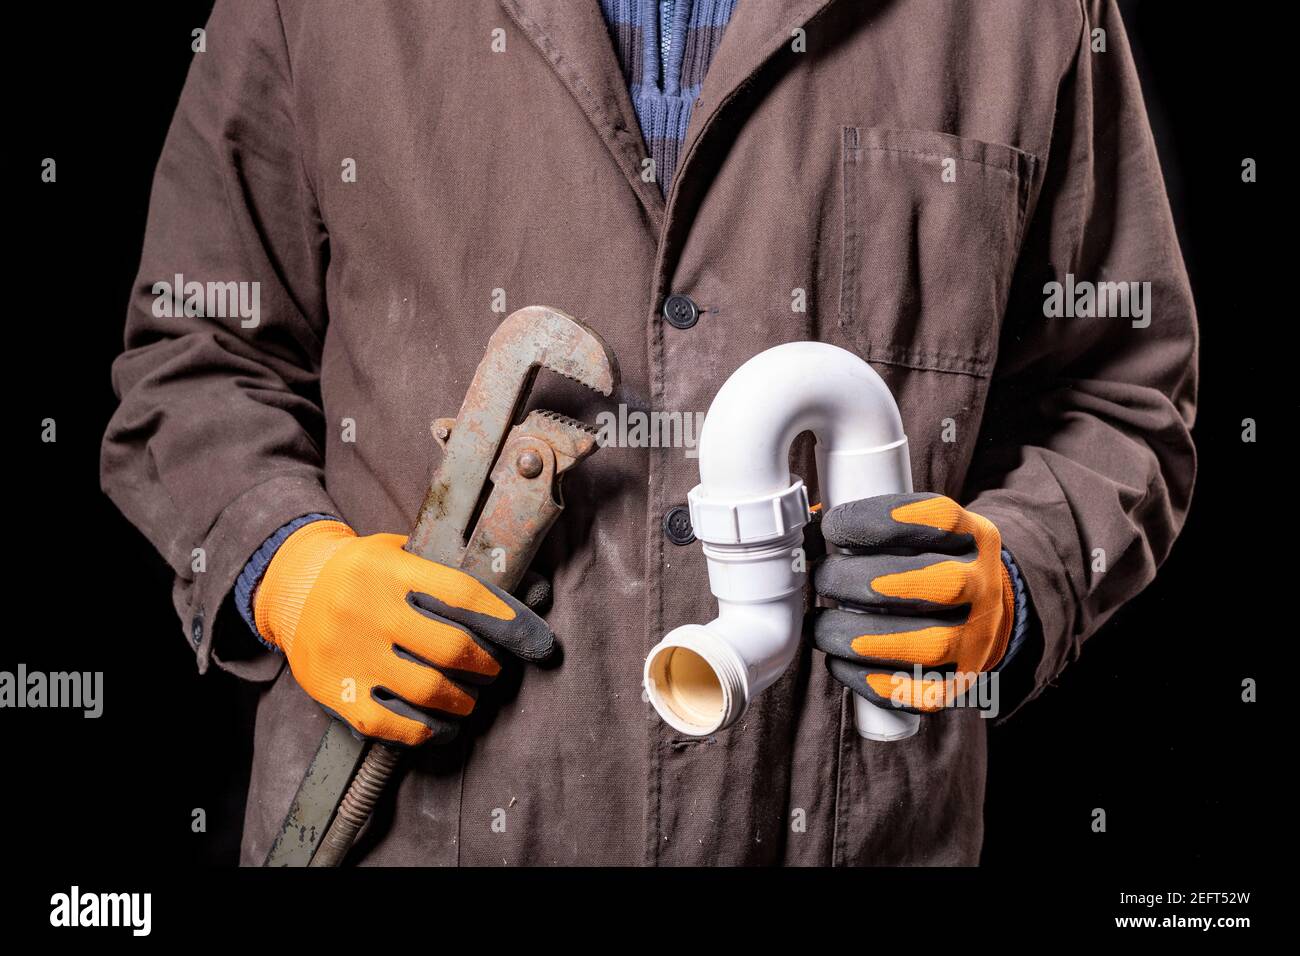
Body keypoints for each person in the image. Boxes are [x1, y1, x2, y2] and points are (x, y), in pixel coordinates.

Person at [101, 0, 1196, 865]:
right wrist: (288, 571)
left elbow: (1124, 394)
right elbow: (195, 356)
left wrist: (1018, 578)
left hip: (855, 835)